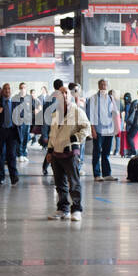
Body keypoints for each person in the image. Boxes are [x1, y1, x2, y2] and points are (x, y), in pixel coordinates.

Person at [45, 84, 91, 221]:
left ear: (70, 96)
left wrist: (74, 138)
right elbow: (52, 133)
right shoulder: (55, 114)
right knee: (60, 183)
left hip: (70, 153)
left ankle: (76, 209)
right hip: (56, 154)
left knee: (74, 182)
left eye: (66, 93)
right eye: (61, 94)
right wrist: (49, 150)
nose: (64, 96)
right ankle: (63, 208)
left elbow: (86, 128)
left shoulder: (78, 112)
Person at [85, 79, 119, 181]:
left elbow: (114, 113)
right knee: (97, 152)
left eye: (105, 84)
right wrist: (93, 129)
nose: (104, 86)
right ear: (99, 86)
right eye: (102, 84)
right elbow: (90, 115)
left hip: (109, 130)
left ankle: (107, 174)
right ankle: (97, 174)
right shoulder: (93, 98)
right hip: (98, 130)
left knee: (106, 153)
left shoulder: (111, 98)